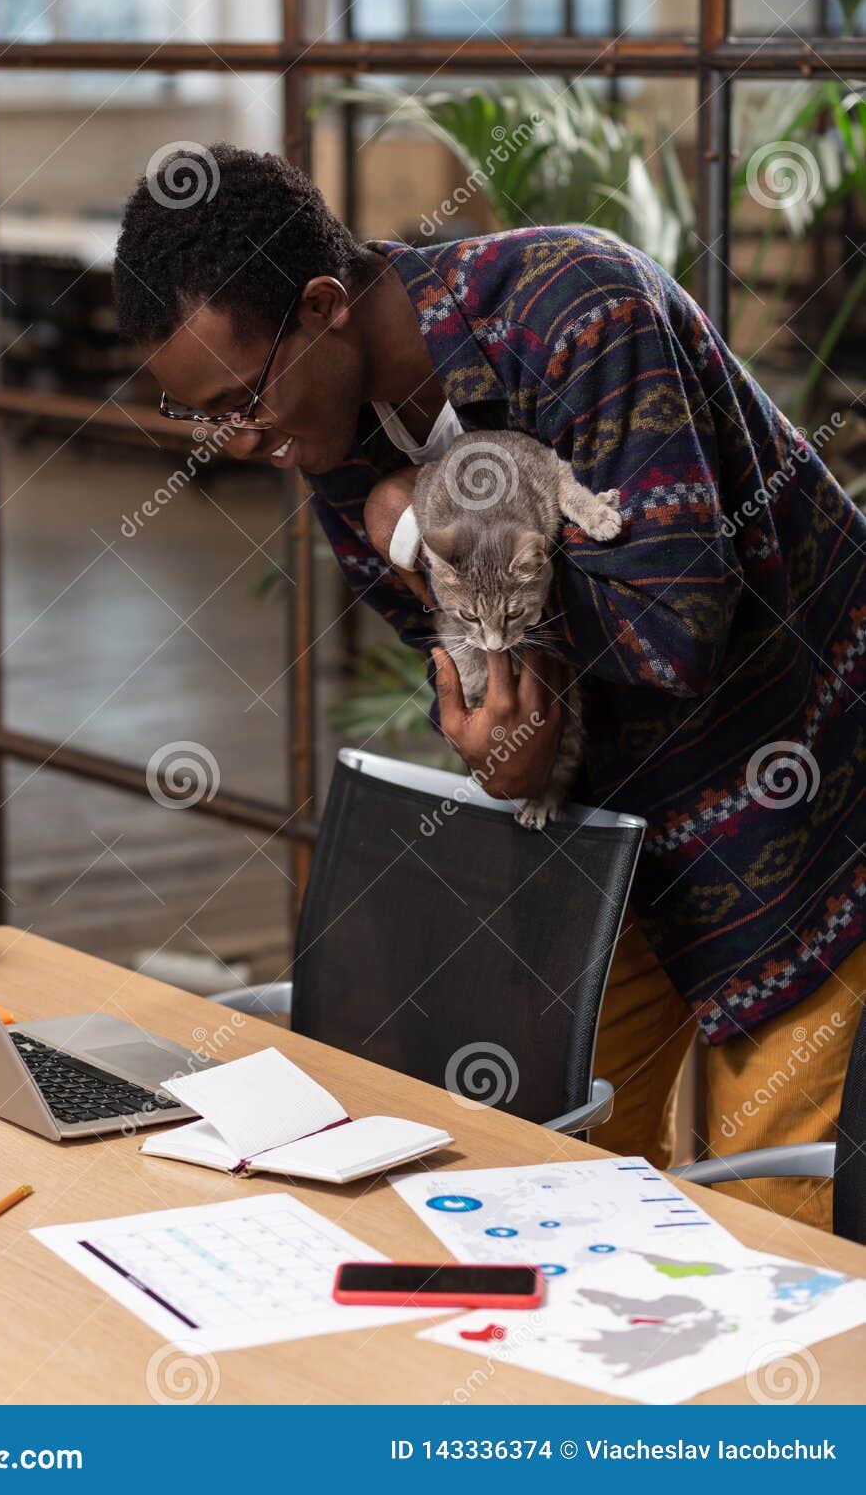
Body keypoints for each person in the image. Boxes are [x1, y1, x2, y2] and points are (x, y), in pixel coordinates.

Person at [116, 142, 866, 1230]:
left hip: (805, 807)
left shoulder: (576, 304)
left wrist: (424, 519)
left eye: (241, 399)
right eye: (207, 418)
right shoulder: (330, 444)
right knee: (521, 1184)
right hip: (616, 830)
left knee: (774, 1232)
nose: (238, 440)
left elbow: (670, 626)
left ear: (322, 304)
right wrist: (506, 748)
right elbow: (495, 667)